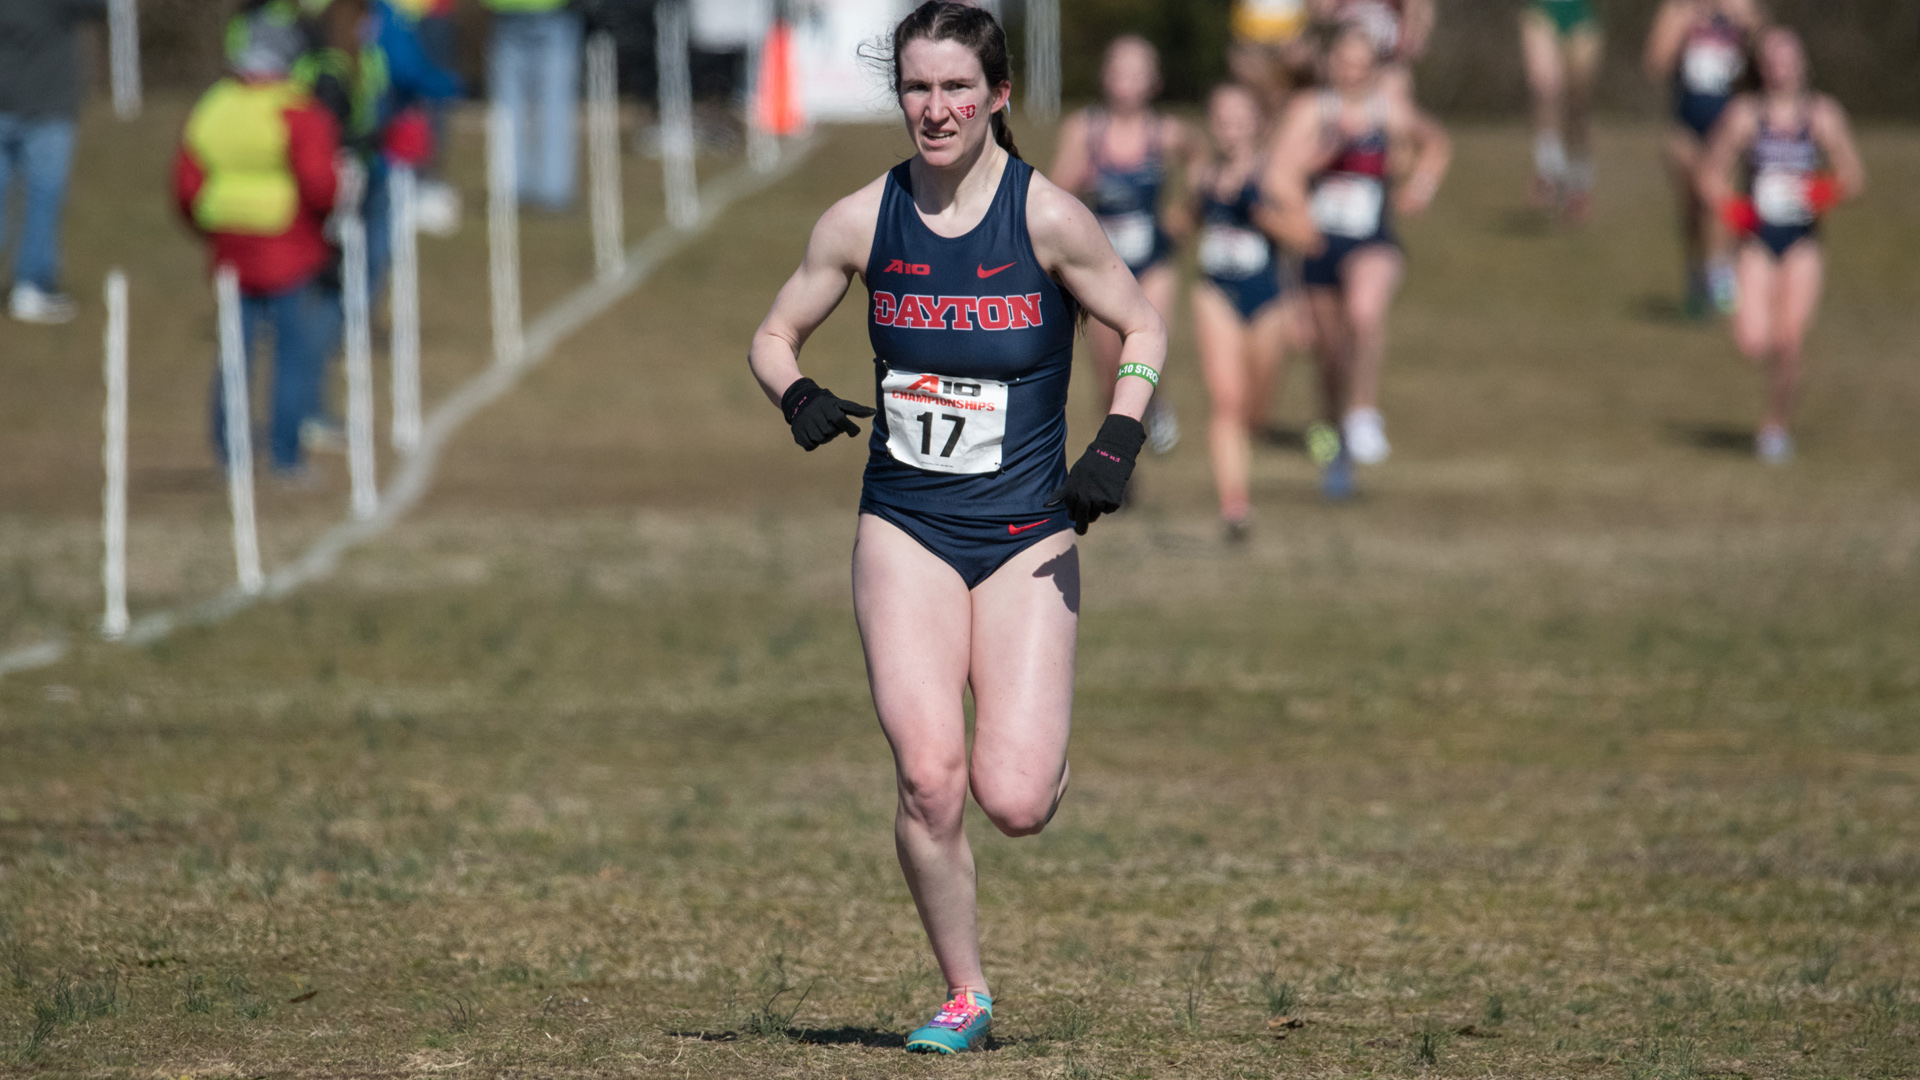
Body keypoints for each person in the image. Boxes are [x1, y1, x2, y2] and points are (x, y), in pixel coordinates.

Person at [746, 1, 1165, 1054]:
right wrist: (794, 392)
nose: (935, 110)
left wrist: (1116, 436)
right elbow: (772, 331)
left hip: (1029, 532)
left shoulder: (1047, 218)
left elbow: (1143, 321)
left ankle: (1045, 739)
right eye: (918, 89)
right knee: (930, 776)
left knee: (1013, 799)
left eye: (956, 90)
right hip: (906, 528)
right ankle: (963, 993)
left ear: (997, 96)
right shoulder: (860, 218)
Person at [1262, 25, 1449, 492]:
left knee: (1366, 313)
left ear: (1374, 68)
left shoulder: (1387, 110)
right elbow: (1277, 179)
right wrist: (1312, 168)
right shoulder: (1311, 110)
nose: (1352, 71)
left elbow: (1437, 143)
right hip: (1320, 244)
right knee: (1328, 356)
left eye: (1362, 63)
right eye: (1344, 62)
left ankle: (1363, 412)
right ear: (1330, 64)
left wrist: (1420, 188)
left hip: (1373, 240)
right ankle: (1333, 437)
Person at [174, 12, 341, 481]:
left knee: (235, 351)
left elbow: (186, 185)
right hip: (288, 246)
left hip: (229, 247)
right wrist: (323, 223)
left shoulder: (214, 106)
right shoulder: (297, 111)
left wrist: (211, 227)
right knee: (292, 354)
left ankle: (230, 452)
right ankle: (286, 455)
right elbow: (320, 183)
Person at [1697, 26, 1863, 465]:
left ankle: (1775, 425)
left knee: (1789, 339)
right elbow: (1709, 176)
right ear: (1761, 67)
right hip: (1756, 239)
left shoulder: (1822, 115)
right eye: (1772, 59)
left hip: (1802, 241)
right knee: (1753, 340)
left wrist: (1814, 194)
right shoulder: (1745, 116)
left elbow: (1854, 177)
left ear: (1802, 64)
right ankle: (1724, 282)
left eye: (1789, 58)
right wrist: (1741, 213)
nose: (1781, 67)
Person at [1047, 36, 1190, 453]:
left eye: (1137, 72)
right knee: (1110, 372)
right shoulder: (1084, 128)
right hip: (1102, 269)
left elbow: (1201, 160)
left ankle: (1156, 404)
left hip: (1153, 262)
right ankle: (1119, 462)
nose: (1127, 81)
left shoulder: (1165, 132)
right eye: (1119, 71)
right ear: (1105, 77)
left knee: (1149, 348)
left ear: (1155, 82)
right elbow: (1053, 193)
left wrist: (1184, 211)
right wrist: (1082, 175)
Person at [1188, 84, 1288, 538]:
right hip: (1216, 292)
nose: (1229, 126)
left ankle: (1299, 441)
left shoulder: (1275, 173)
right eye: (1221, 117)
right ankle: (1235, 507)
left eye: (1239, 116)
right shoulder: (1202, 175)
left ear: (1258, 121)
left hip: (1266, 297)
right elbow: (1180, 221)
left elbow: (1308, 234)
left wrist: (1260, 212)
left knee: (1255, 414)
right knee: (1226, 403)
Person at [1645, 0, 1764, 316]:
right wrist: (1683, 28)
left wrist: (1750, 28)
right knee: (1691, 207)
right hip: (1685, 125)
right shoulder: (1678, 9)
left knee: (1715, 198)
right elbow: (1655, 64)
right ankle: (1695, 271)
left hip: (1729, 126)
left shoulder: (1743, 8)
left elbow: (1769, 61)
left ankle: (1719, 278)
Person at [0, 0, 106, 325]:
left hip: (23, 105)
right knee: (43, 200)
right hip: (47, 109)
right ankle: (31, 285)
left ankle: (31, 285)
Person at [483, 0, 584, 210]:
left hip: (507, 11)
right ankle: (552, 190)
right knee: (553, 106)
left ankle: (509, 188)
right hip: (552, 12)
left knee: (507, 109)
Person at [1521, 0, 1604, 221]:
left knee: (1577, 108)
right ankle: (1548, 170)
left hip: (1580, 16)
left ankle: (1578, 183)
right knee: (1546, 88)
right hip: (1541, 10)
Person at [1310, 0, 1436, 105]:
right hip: (1342, 62)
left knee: (1393, 91)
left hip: (1387, 62)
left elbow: (1419, 13)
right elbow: (1320, 12)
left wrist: (1414, 34)